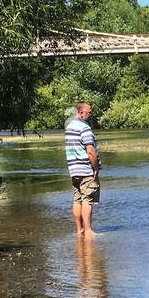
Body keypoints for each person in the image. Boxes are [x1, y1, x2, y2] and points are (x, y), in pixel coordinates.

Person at [65, 101, 100, 237]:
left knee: (77, 199)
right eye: (89, 112)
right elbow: (90, 151)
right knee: (87, 199)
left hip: (73, 169)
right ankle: (89, 230)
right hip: (86, 169)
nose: (90, 115)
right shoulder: (84, 128)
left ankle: (80, 230)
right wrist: (95, 168)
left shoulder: (69, 128)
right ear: (81, 112)